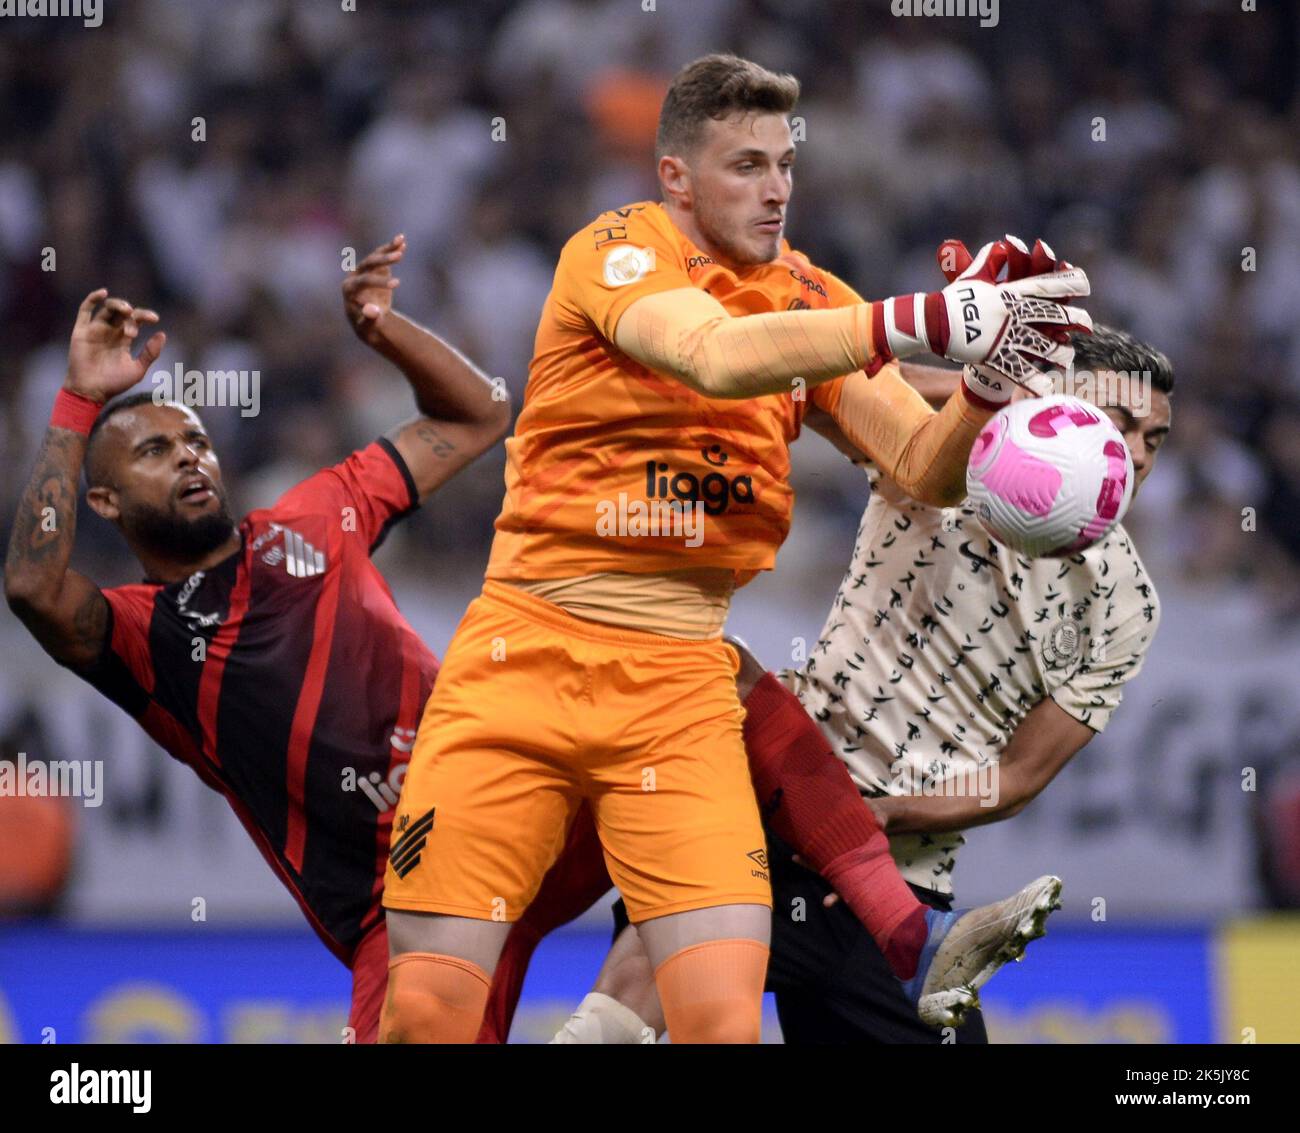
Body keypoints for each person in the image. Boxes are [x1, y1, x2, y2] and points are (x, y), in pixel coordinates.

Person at [381, 52, 1091, 1044]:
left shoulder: (811, 296)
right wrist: (921, 319)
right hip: (522, 654)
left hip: (677, 688)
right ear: (675, 177)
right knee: (424, 1016)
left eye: (783, 164)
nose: (774, 188)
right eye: (744, 164)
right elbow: (710, 354)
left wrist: (985, 383)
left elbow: (922, 469)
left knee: (719, 1024)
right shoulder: (613, 249)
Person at [545, 325, 1172, 1043]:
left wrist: (883, 813)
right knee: (630, 1005)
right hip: (763, 818)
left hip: (899, 889)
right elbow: (817, 391)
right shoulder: (943, 452)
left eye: (1157, 437)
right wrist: (992, 399)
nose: (1143, 453)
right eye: (1123, 422)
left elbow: (1019, 774)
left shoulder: (1128, 601)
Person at [3, 237, 510, 1043]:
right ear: (103, 500)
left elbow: (480, 412)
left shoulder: (315, 513)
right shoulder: (143, 638)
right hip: (400, 908)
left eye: (197, 440)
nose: (191, 457)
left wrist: (385, 330)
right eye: (155, 451)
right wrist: (74, 400)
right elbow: (32, 587)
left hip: (507, 811)